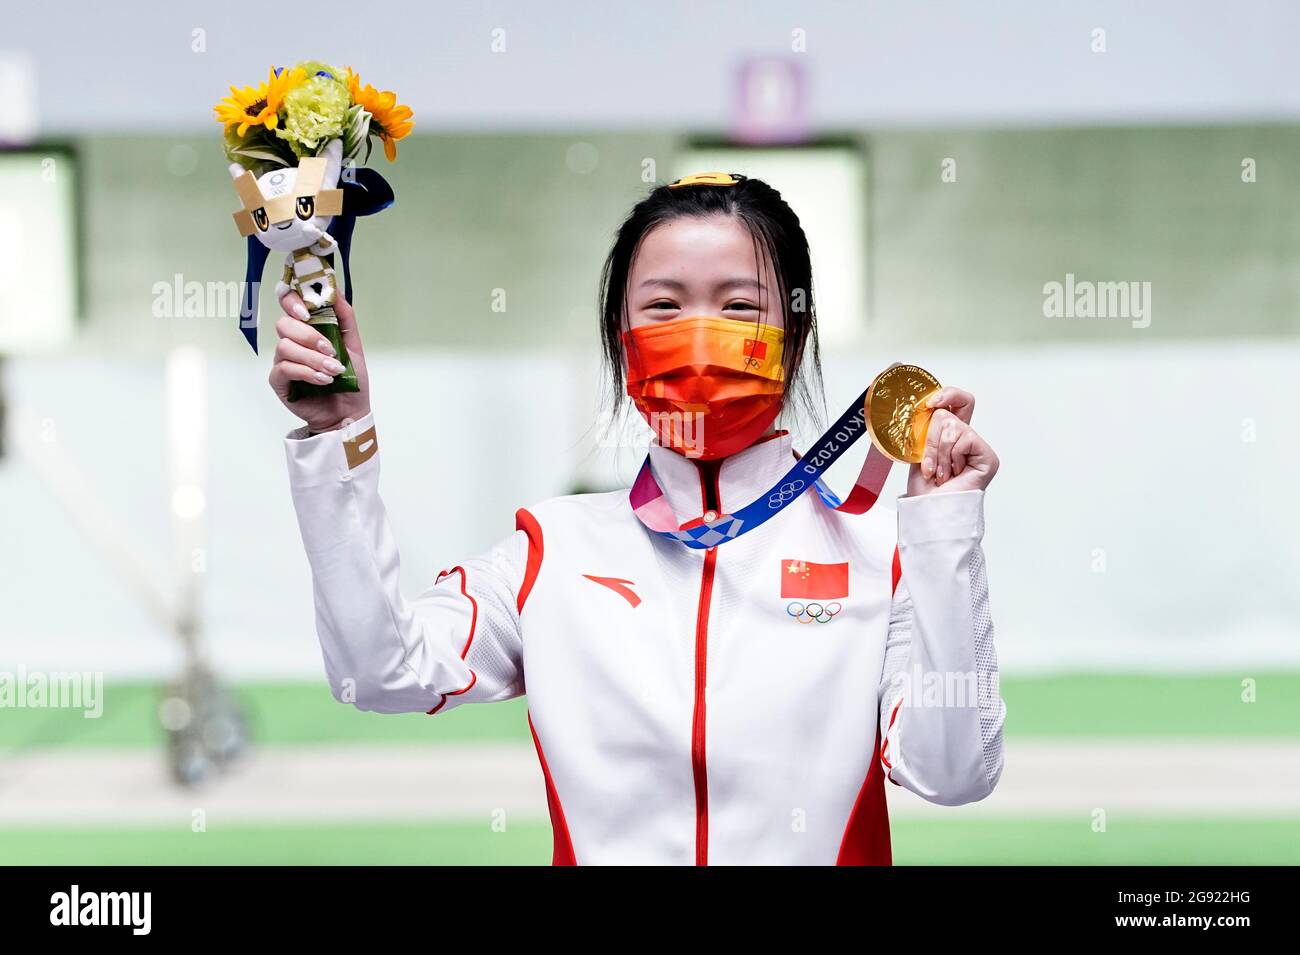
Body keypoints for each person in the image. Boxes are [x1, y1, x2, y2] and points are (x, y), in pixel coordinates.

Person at [270, 172, 1006, 865]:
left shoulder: (887, 553)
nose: (696, 335)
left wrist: (944, 528)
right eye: (663, 307)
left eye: (739, 306)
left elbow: (954, 772)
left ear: (798, 333)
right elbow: (378, 671)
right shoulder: (548, 554)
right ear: (621, 341)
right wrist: (339, 440)